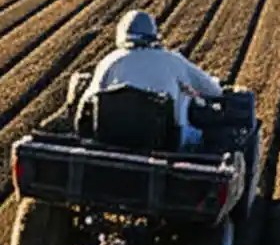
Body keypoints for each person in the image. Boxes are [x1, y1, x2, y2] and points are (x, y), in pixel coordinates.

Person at [79, 9, 223, 150]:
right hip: (165, 143)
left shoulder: (109, 61)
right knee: (200, 136)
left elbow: (88, 101)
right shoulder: (172, 60)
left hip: (110, 140)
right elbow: (214, 91)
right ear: (153, 35)